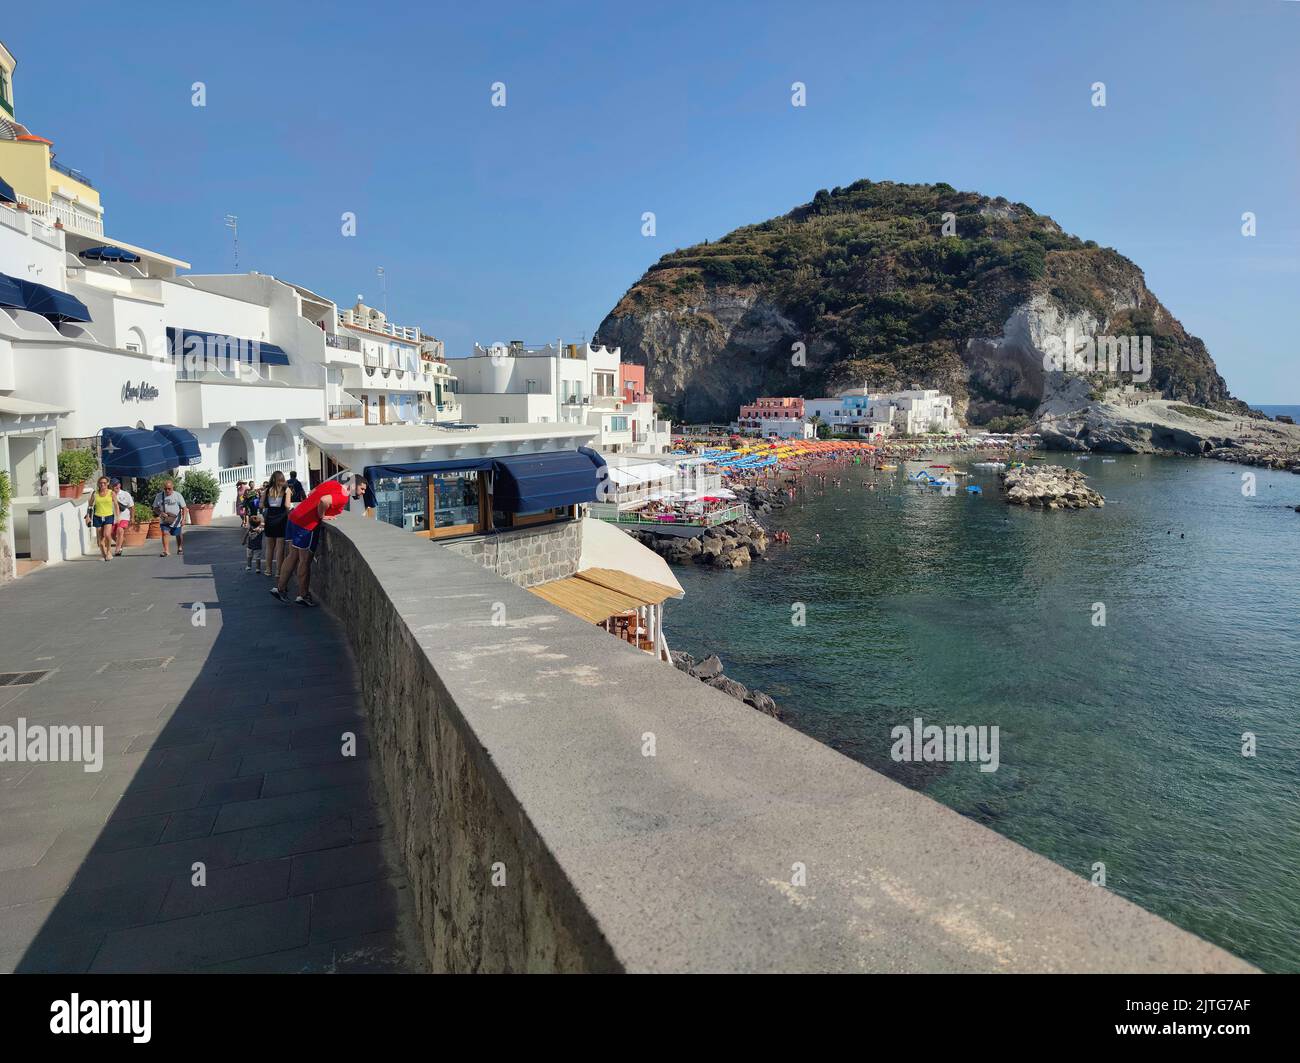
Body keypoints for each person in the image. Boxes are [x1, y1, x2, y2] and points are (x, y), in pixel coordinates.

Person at [271, 474, 367, 607]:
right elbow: (324, 500)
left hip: (295, 517)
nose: (363, 493)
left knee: (292, 556)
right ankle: (303, 595)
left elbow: (312, 492)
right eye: (362, 489)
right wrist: (322, 516)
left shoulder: (333, 484)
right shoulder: (343, 496)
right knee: (305, 560)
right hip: (306, 524)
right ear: (354, 485)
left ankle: (279, 589)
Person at [260, 470, 291, 578]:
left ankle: (268, 570)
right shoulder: (286, 490)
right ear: (282, 479)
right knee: (280, 547)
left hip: (269, 519)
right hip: (281, 519)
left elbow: (261, 505)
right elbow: (287, 506)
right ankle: (278, 571)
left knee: (269, 547)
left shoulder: (267, 490)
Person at [153, 478, 189, 558]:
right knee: (165, 533)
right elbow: (155, 508)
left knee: (178, 534)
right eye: (165, 489)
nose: (167, 490)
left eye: (169, 489)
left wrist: (184, 519)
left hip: (176, 520)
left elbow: (184, 508)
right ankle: (166, 551)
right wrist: (160, 513)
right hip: (164, 520)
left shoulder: (177, 495)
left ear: (173, 487)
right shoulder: (159, 496)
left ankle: (179, 548)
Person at [85, 476, 118, 561]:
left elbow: (116, 505)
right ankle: (104, 555)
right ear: (98, 484)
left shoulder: (111, 493)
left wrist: (118, 517)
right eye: (100, 483)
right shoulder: (95, 493)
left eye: (104, 483)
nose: (102, 484)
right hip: (97, 516)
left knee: (107, 534)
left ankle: (109, 552)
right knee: (100, 540)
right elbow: (90, 505)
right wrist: (88, 516)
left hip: (108, 516)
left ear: (107, 484)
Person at [111, 477, 134, 557]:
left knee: (120, 530)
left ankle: (117, 549)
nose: (116, 486)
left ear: (120, 485)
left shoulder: (125, 494)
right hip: (114, 517)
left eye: (117, 484)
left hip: (124, 516)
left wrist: (132, 517)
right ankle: (120, 544)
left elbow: (131, 507)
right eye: (114, 485)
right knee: (111, 534)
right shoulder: (109, 495)